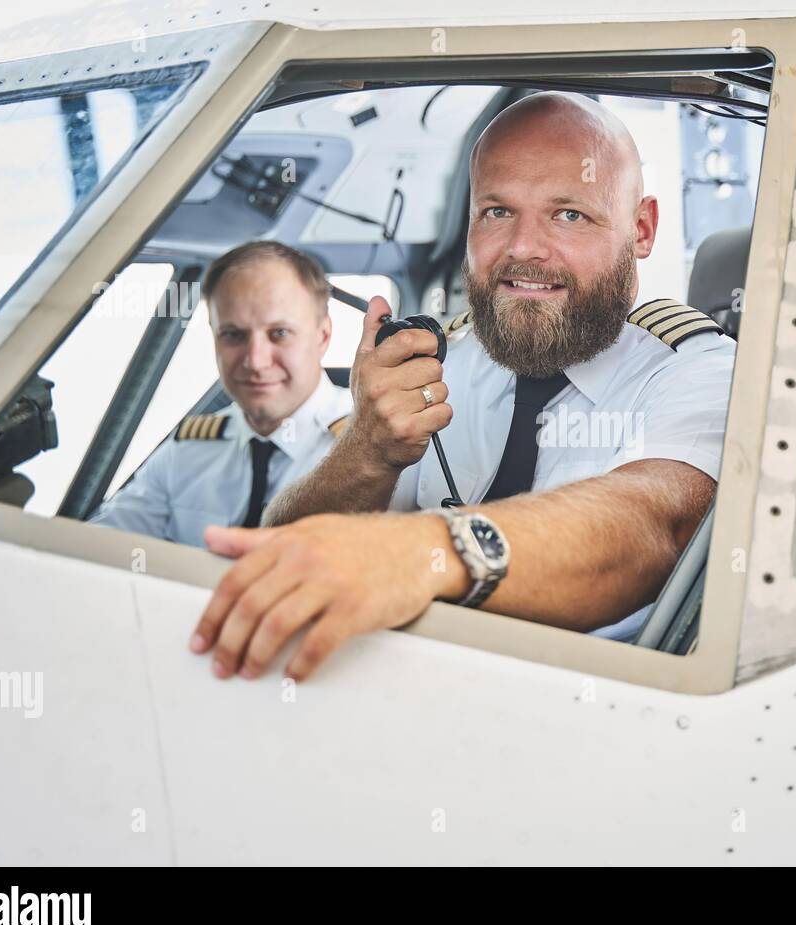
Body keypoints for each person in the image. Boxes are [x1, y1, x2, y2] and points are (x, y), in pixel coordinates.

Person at [188, 91, 735, 681]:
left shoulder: (698, 371)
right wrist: (368, 450)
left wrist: (419, 555)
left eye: (569, 214)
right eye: (497, 212)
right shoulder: (444, 357)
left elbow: (649, 527)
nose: (523, 248)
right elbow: (286, 549)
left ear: (642, 229)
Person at [89, 241, 352, 546]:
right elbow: (102, 543)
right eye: (233, 335)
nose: (255, 361)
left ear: (323, 337)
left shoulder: (373, 445)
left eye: (279, 333)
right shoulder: (189, 450)